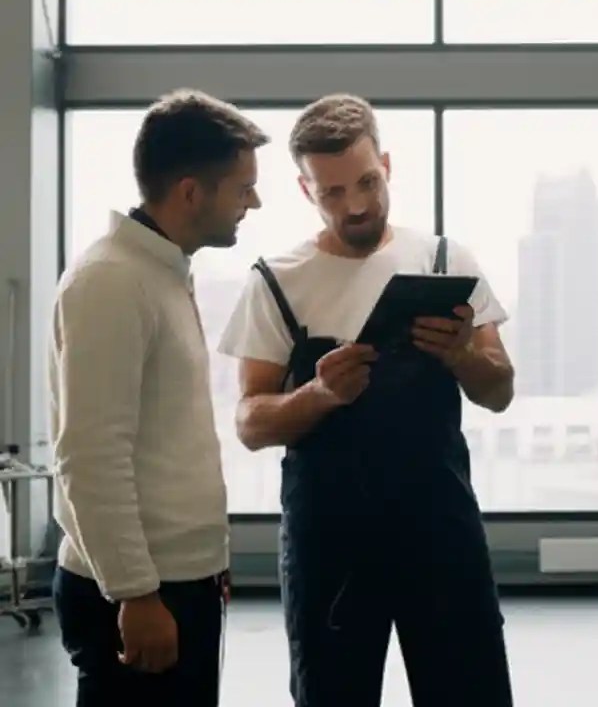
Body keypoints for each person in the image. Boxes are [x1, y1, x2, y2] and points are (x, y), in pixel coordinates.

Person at [217, 93, 516, 706]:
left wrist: (460, 354)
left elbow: (501, 390)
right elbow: (250, 421)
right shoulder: (277, 281)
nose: (355, 205)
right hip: (330, 545)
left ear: (386, 164)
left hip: (441, 530)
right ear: (305, 191)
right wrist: (322, 393)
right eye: (332, 193)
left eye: (367, 183)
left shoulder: (444, 262)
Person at [48, 89, 268, 706]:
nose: (254, 201)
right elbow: (90, 457)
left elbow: (163, 443)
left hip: (176, 580)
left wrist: (205, 561)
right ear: (192, 192)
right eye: (242, 187)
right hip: (140, 592)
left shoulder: (161, 273)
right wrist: (136, 593)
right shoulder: (112, 282)